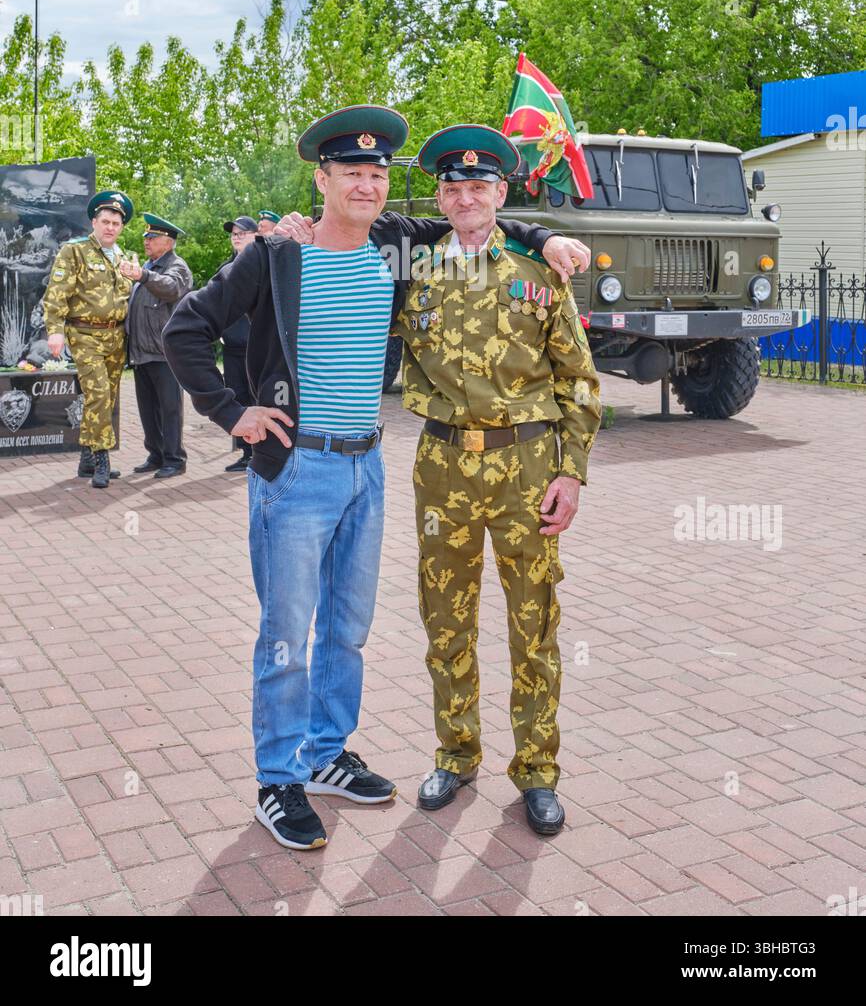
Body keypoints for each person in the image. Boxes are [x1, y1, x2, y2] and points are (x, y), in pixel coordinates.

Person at [162, 104, 586, 854]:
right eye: (351, 171)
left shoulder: (397, 247)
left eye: (377, 172)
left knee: (348, 629)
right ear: (321, 178)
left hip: (370, 466)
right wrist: (233, 412)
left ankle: (326, 754)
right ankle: (279, 779)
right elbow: (185, 327)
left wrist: (547, 234)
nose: (366, 182)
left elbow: (484, 226)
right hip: (297, 467)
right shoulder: (276, 256)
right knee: (289, 630)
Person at [395, 125, 602, 837]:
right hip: (443, 465)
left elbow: (579, 381)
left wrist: (570, 474)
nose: (464, 197)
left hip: (526, 468)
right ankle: (455, 754)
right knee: (444, 620)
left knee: (533, 624)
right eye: (452, 187)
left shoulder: (540, 274)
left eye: (478, 186)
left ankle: (538, 772)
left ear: (500, 194)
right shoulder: (414, 273)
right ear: (442, 198)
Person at [42, 190, 135, 488]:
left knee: (107, 399)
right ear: (94, 222)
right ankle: (102, 459)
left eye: (116, 224)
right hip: (84, 334)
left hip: (116, 336)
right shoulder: (74, 251)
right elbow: (56, 294)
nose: (110, 227)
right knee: (97, 395)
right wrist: (54, 329)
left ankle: (86, 455)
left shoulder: (124, 255)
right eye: (105, 221)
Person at [122, 214, 193, 479]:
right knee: (148, 410)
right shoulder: (148, 265)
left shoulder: (177, 266)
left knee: (169, 409)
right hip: (142, 352)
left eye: (152, 238)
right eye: (146, 237)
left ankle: (175, 459)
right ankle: (156, 454)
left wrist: (142, 275)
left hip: (165, 354)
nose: (147, 242)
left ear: (168, 241)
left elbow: (171, 288)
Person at [219, 216, 258, 472]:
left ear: (255, 235)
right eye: (234, 233)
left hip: (255, 348)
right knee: (239, 400)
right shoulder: (226, 267)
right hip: (231, 348)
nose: (236, 237)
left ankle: (261, 453)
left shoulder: (263, 263)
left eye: (242, 233)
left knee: (257, 400)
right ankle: (246, 453)